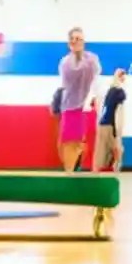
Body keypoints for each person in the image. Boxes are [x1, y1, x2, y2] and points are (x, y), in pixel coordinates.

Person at [56, 27, 101, 173]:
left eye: (79, 39)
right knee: (66, 143)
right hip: (69, 107)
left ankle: (72, 170)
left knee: (76, 142)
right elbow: (70, 78)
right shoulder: (66, 63)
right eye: (73, 39)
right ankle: (71, 170)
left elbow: (94, 75)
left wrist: (93, 99)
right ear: (69, 43)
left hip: (82, 107)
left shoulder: (91, 60)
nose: (76, 41)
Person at [94, 68, 127, 173]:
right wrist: (118, 131)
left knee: (100, 153)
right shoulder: (120, 93)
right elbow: (118, 113)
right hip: (110, 125)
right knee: (118, 150)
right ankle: (115, 171)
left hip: (102, 124)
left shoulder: (109, 91)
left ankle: (95, 174)